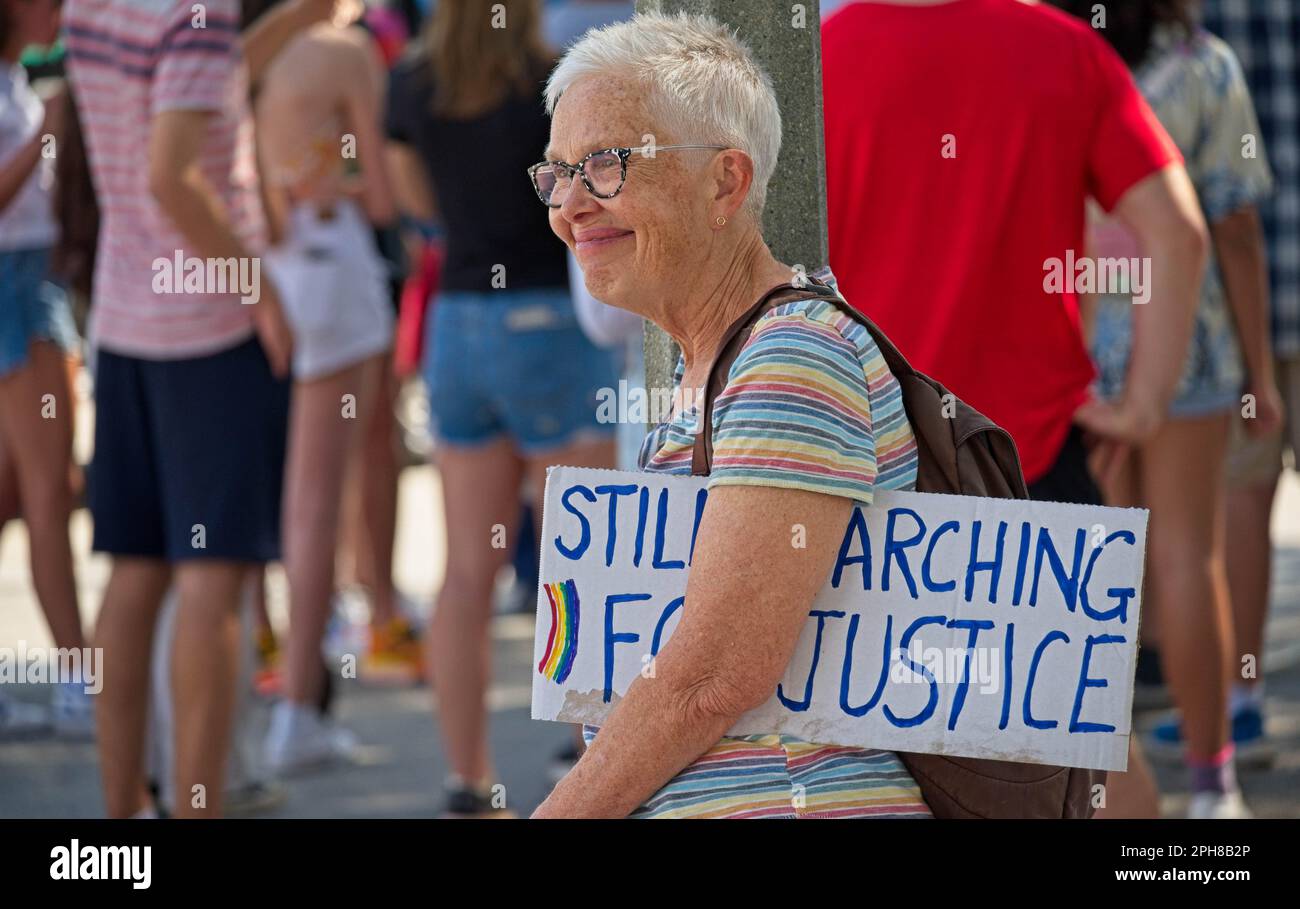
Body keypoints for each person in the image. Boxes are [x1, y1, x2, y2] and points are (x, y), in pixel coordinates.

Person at [531, 11, 930, 819]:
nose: (569, 203)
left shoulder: (790, 356)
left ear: (726, 183)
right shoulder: (713, 364)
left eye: (605, 165)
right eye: (555, 172)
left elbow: (713, 678)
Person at [821, 0, 1208, 817]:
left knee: (880, 770)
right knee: (1089, 759)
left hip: (860, 470)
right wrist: (1142, 405)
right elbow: (1179, 233)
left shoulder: (813, 59)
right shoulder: (1064, 48)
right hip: (1030, 465)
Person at [62, 0, 332, 818]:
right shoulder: (196, 17)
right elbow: (171, 170)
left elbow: (190, 86)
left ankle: (124, 819)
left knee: (134, 574)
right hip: (209, 335)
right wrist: (261, 291)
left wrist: (291, 23)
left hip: (126, 321)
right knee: (214, 587)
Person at [385, 0, 618, 817]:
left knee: (465, 572)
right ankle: (598, 767)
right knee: (586, 563)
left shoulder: (411, 80)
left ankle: (465, 778)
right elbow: (579, 201)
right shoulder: (551, 82)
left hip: (456, 322)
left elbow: (405, 195)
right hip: (548, 319)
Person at [1052, 0, 1275, 820]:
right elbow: (1235, 223)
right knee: (1190, 555)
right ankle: (1215, 785)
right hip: (1192, 340)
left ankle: (1098, 781)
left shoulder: (1058, 58)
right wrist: (1262, 372)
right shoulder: (1206, 66)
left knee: (1092, 569)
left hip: (1076, 340)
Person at [247, 0, 398, 775]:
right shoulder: (344, 51)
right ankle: (298, 710)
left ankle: (287, 686)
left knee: (292, 494)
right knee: (317, 501)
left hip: (270, 267)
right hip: (331, 267)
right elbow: (380, 193)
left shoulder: (250, 49)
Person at [1200, 0, 1300, 772]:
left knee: (1241, 500)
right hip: (1262, 287)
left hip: (1239, 306)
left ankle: (1241, 704)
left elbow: (1231, 212)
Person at [0, 0, 92, 738]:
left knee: (18, 496)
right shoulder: (28, 92)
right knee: (49, 493)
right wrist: (48, 132)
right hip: (16, 291)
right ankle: (77, 678)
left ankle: (69, 679)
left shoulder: (17, 74)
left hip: (33, 282)